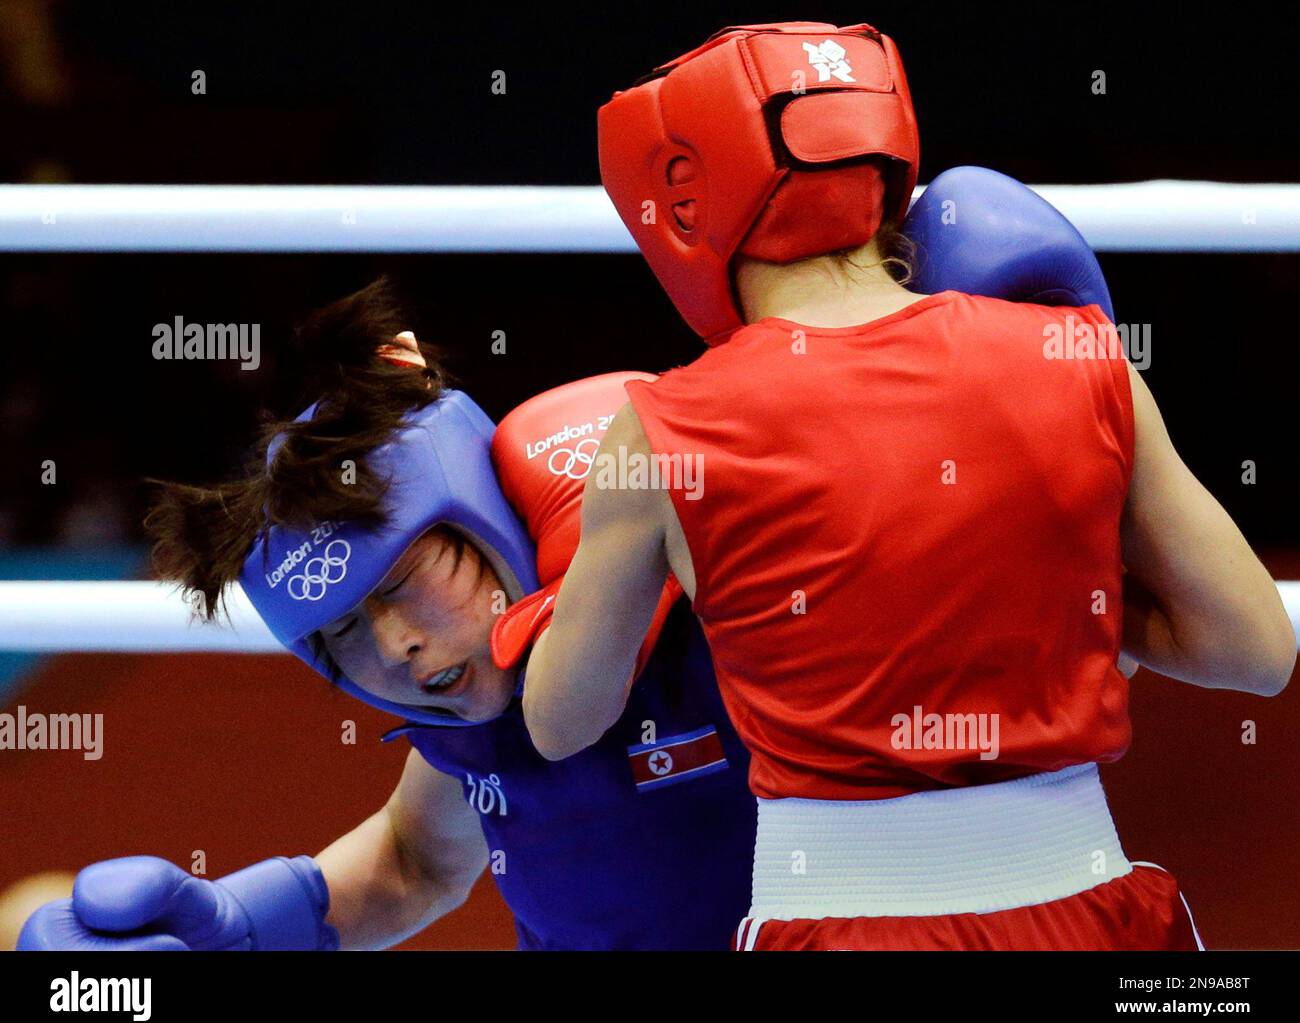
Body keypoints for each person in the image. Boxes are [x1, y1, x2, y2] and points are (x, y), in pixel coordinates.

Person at [519, 22, 1296, 950]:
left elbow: (562, 721)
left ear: (681, 196)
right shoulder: (1080, 354)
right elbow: (1257, 649)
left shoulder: (661, 433)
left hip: (837, 921)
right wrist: (1051, 596)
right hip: (1101, 911)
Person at [17, 278, 756, 951]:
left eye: (402, 579)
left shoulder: (704, 599)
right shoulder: (471, 718)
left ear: (481, 518)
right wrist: (239, 930)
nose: (395, 642)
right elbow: (415, 859)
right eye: (342, 628)